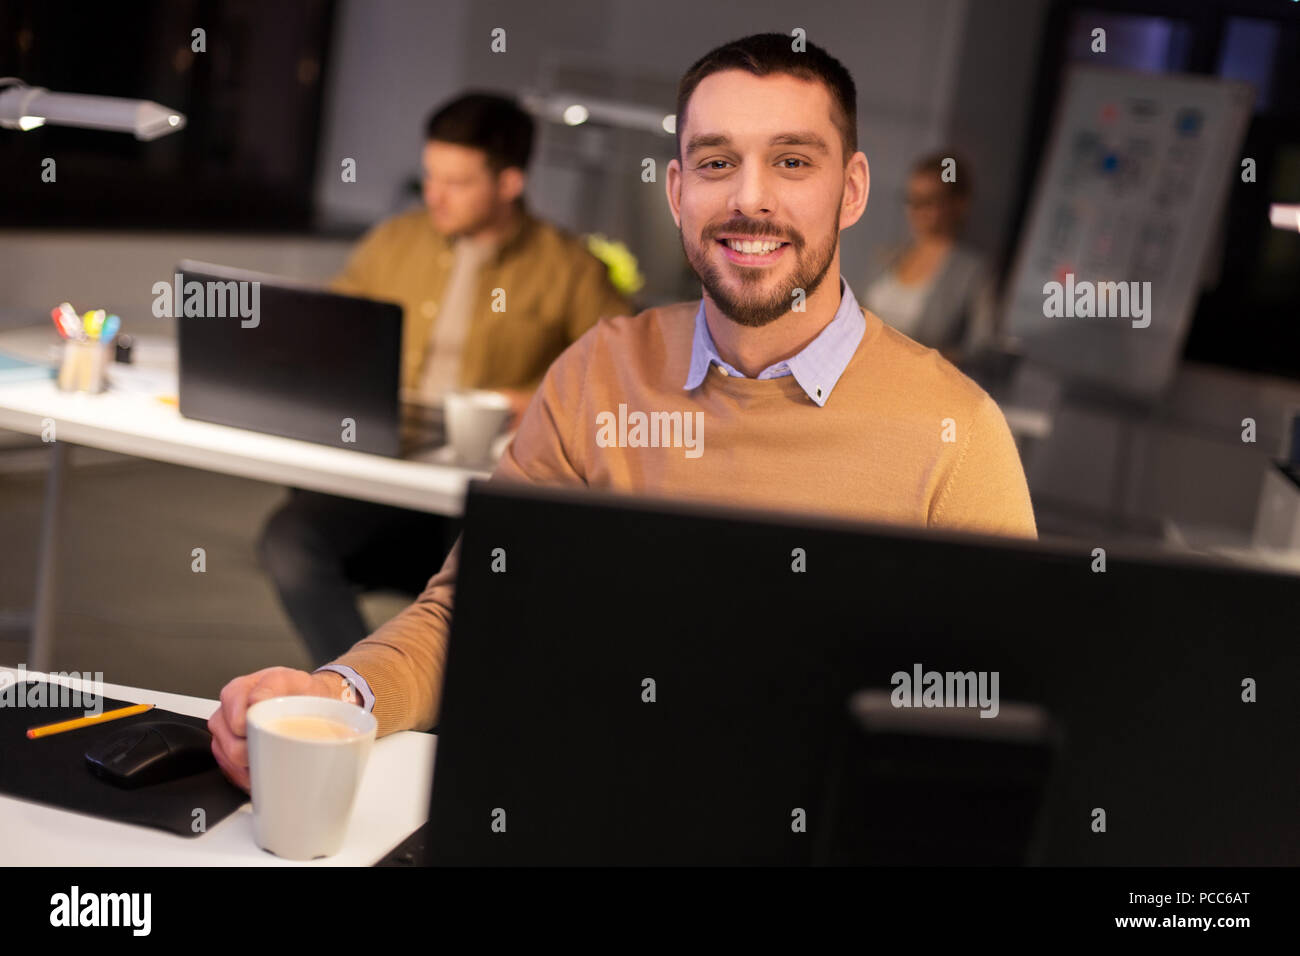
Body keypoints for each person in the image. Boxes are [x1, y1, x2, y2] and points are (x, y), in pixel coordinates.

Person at [212, 35, 1037, 789]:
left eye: (792, 162)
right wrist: (334, 690)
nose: (750, 200)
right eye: (716, 163)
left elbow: (1003, 717)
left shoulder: (956, 431)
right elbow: (475, 613)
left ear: (851, 190)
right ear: (677, 190)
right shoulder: (600, 373)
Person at [258, 92, 629, 666]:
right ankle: (360, 687)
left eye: (457, 181)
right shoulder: (395, 241)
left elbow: (624, 373)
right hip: (383, 474)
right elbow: (326, 336)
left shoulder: (569, 267)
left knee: (488, 577)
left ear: (509, 183)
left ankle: (440, 703)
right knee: (288, 542)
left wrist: (534, 400)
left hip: (479, 494)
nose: (435, 194)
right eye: (431, 175)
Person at [861, 152, 996, 362]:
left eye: (928, 201)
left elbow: (982, 349)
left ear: (958, 204)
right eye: (911, 199)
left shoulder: (972, 272)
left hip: (915, 383)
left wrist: (930, 361)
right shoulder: (888, 255)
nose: (916, 209)